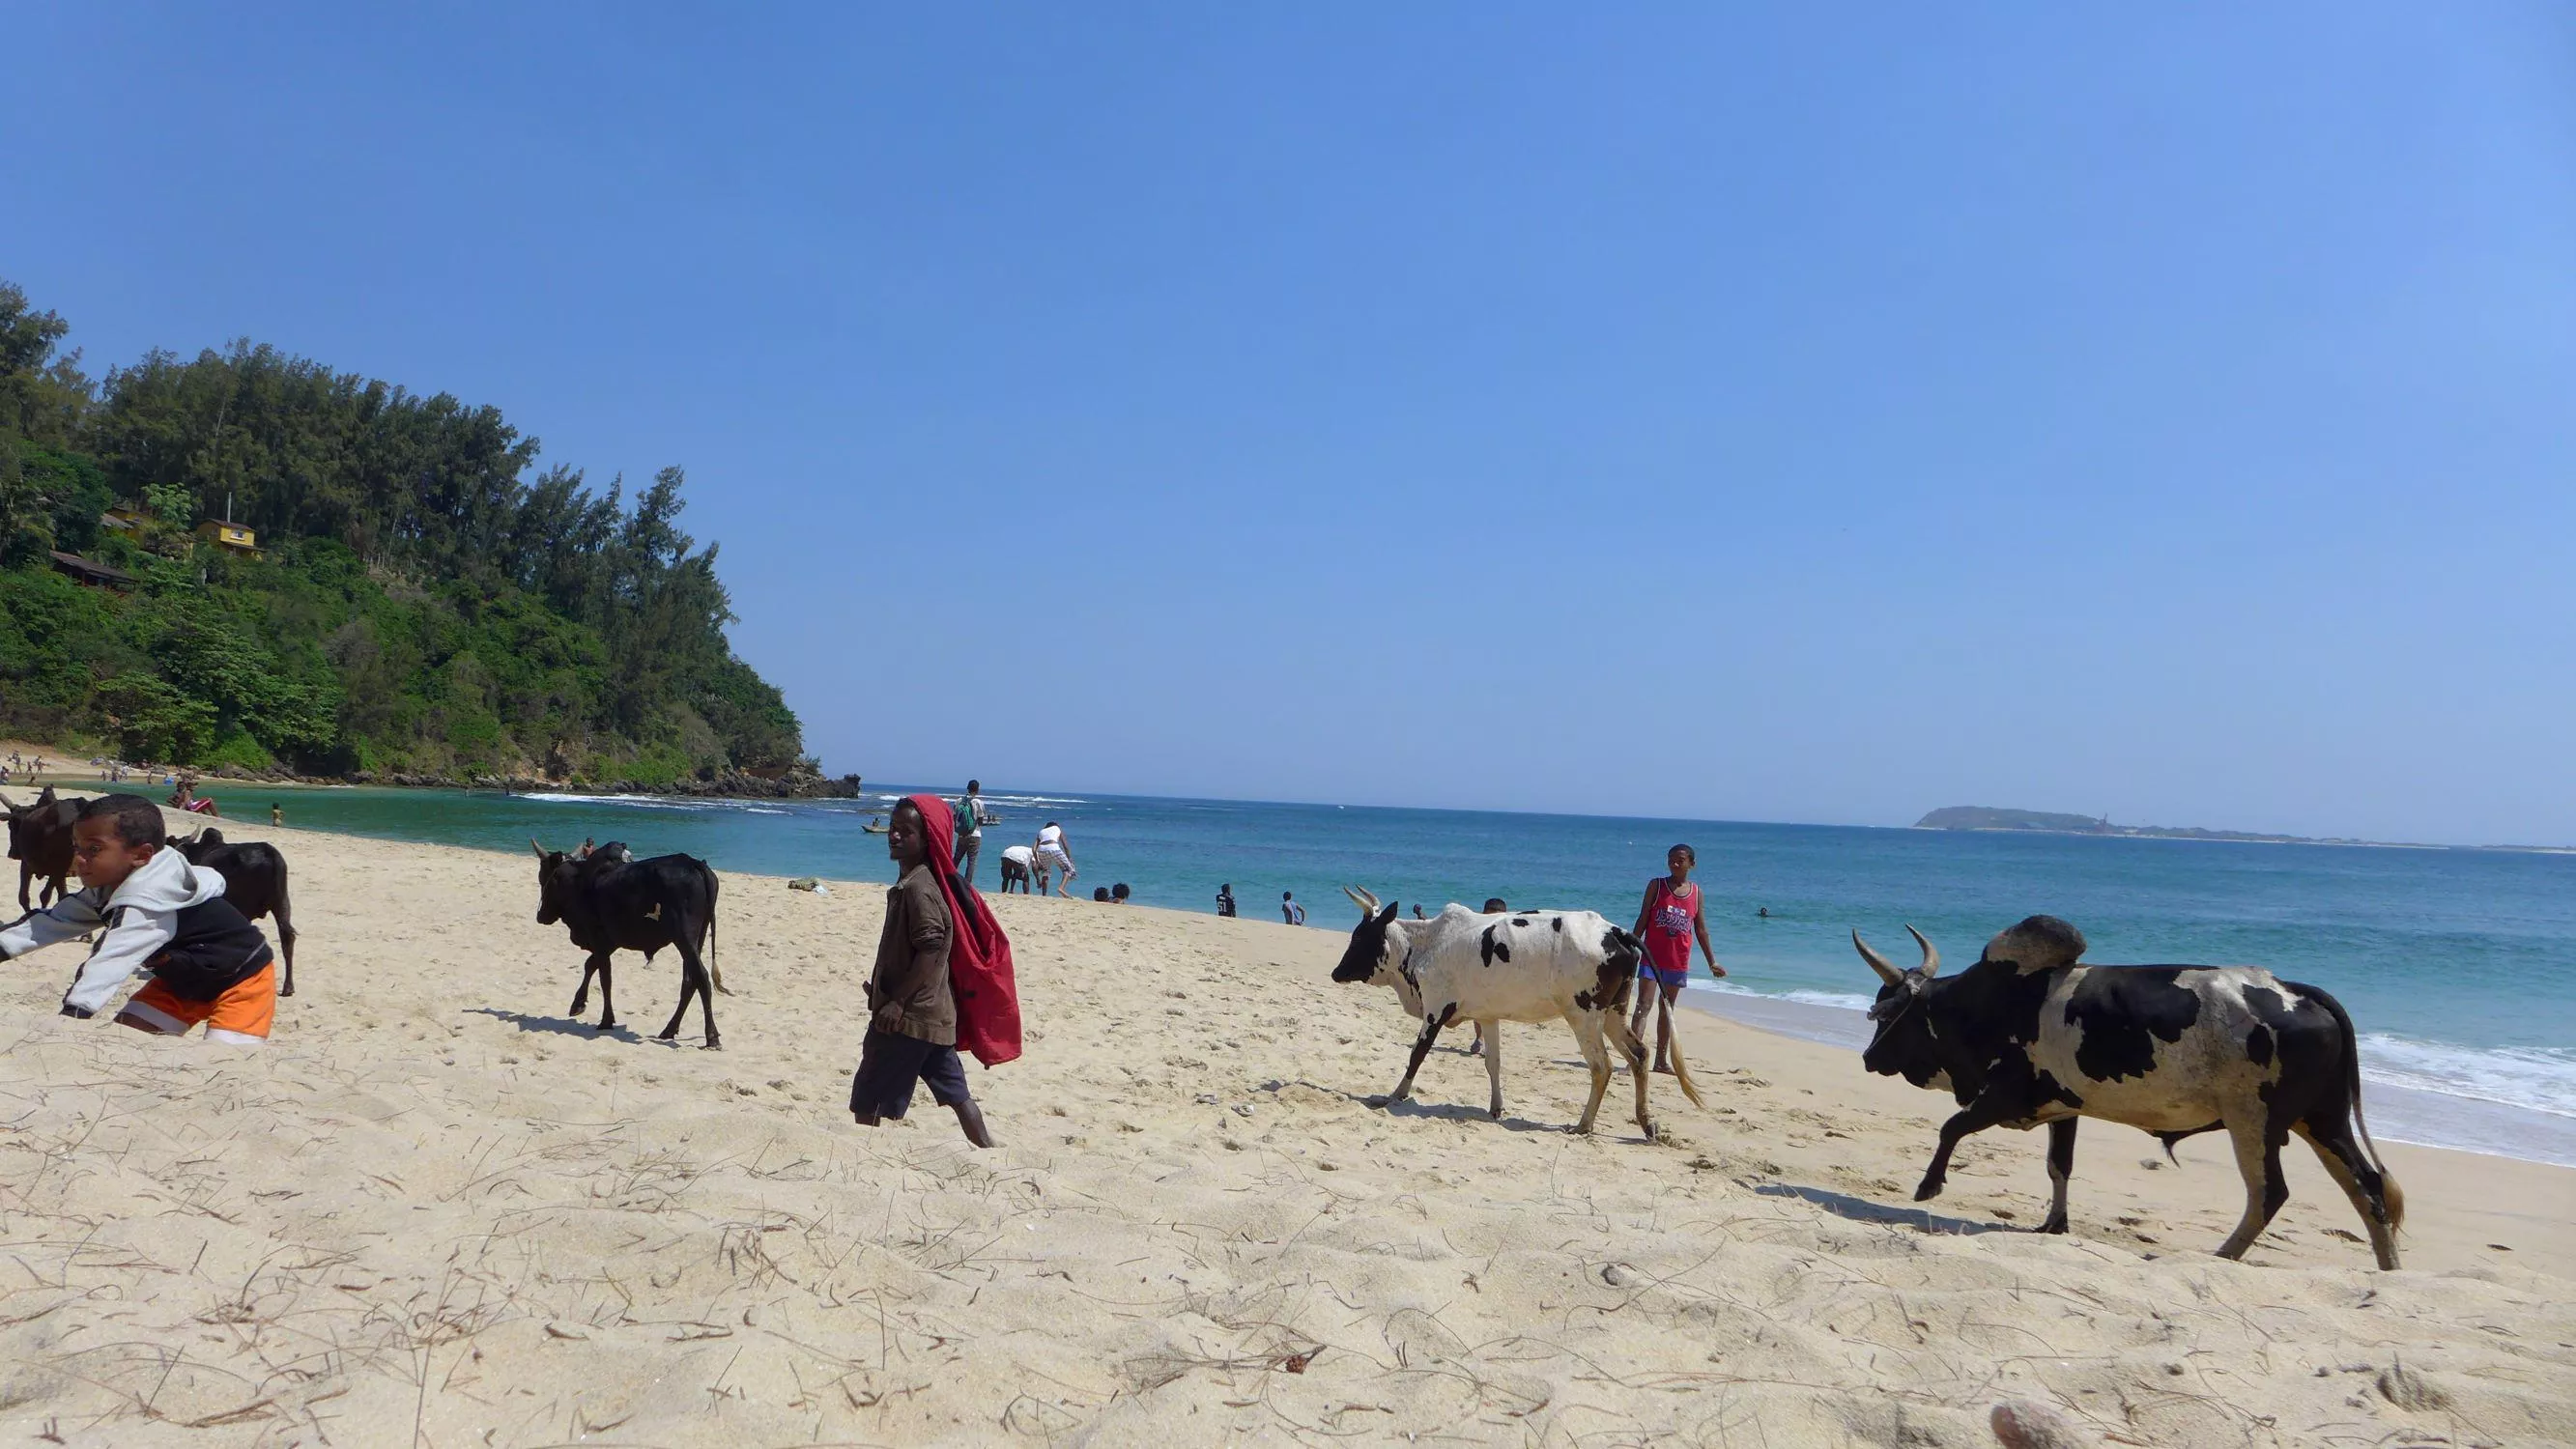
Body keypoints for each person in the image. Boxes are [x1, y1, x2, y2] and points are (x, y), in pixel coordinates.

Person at [0, 793, 279, 1043]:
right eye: (76, 847)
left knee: (223, 1059)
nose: (79, 860)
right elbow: (52, 923)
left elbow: (113, 958)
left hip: (242, 979)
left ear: (142, 855)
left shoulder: (147, 901)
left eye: (93, 849)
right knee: (126, 1039)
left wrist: (74, 1013)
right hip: (179, 983)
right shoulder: (107, 889)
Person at [849, 796, 1019, 1147]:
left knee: (869, 1096)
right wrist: (880, 988)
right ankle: (988, 1149)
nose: (894, 835)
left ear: (928, 838)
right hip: (937, 1017)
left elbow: (931, 948)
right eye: (892, 828)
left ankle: (863, 1160)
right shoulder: (919, 882)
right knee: (958, 1095)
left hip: (908, 1020)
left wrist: (897, 1001)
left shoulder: (919, 888)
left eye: (905, 831)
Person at [1628, 843, 1725, 1076]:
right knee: (1643, 1006)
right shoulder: (1657, 886)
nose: (1675, 863)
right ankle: (1633, 1060)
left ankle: (1660, 1061)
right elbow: (1643, 918)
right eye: (1671, 859)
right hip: (1651, 958)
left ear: (1692, 864)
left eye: (1680, 860)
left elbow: (1700, 929)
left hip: (1677, 961)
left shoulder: (1696, 893)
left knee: (1667, 1009)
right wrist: (1630, 947)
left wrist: (1712, 962)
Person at [953, 780, 989, 885]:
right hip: (975, 835)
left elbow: (954, 818)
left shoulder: (959, 801)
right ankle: (967, 885)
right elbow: (980, 821)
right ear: (977, 790)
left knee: (956, 859)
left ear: (967, 788)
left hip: (961, 835)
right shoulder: (978, 802)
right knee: (971, 861)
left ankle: (948, 878)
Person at [1034, 821, 1075, 896]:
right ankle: (1061, 888)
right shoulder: (1057, 828)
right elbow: (1065, 845)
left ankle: (1044, 895)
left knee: (1045, 872)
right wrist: (1069, 858)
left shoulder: (1041, 831)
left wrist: (1037, 861)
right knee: (1068, 869)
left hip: (1041, 850)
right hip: (1053, 847)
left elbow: (1034, 849)